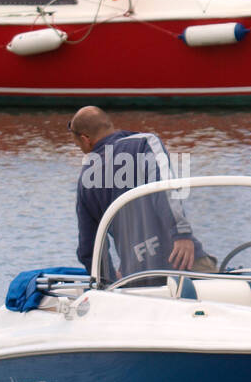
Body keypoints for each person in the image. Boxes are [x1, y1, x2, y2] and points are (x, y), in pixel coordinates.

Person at [72, 107, 208, 278]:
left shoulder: (86, 179)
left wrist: (110, 280)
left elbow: (89, 247)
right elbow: (164, 188)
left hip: (136, 276)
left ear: (85, 139)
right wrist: (181, 233)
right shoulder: (145, 143)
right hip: (183, 261)